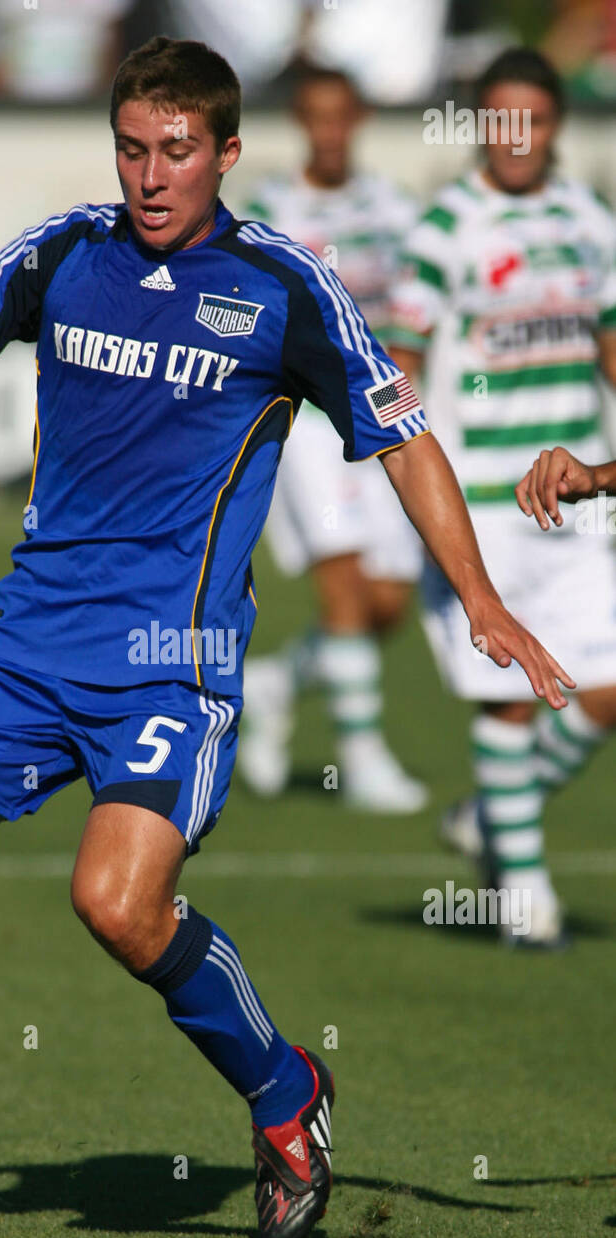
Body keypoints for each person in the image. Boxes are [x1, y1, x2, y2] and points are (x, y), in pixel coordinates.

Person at [0, 36, 571, 1238]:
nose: (151, 175)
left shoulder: (283, 285)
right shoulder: (63, 251)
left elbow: (404, 435)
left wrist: (478, 596)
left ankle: (285, 1094)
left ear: (226, 152)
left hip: (172, 663)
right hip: (22, 647)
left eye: (178, 151)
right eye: (131, 148)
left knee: (116, 905)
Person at [389, 47, 616, 947]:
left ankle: (490, 814)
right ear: (483, 125)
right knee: (510, 699)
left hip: (580, 502)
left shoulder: (590, 219)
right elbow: (397, 361)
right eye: (501, 117)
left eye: (534, 117)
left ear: (555, 126)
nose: (517, 135)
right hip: (480, 505)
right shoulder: (445, 226)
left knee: (599, 696)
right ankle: (522, 896)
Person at [238, 65, 426, 811]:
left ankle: (276, 683)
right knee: (343, 583)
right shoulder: (268, 211)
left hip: (378, 415)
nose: (328, 129)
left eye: (339, 116)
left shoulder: (394, 210)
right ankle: (360, 756)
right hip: (307, 422)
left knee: (387, 603)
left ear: (358, 119)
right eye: (314, 116)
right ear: (300, 123)